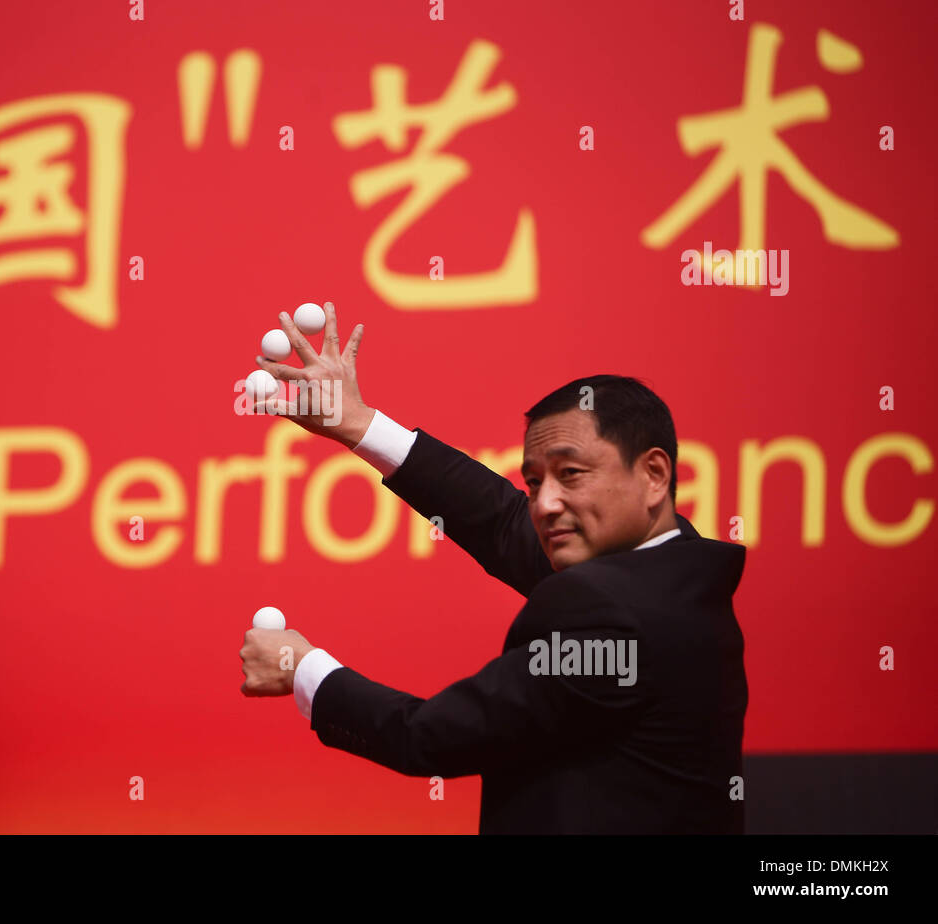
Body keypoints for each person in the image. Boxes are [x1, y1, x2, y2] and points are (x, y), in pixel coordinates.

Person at [238, 302, 748, 833]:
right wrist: (360, 425)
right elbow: (503, 522)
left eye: (571, 474)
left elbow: (431, 736)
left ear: (654, 474)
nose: (546, 503)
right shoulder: (680, 564)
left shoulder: (612, 615)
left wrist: (303, 670)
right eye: (534, 482)